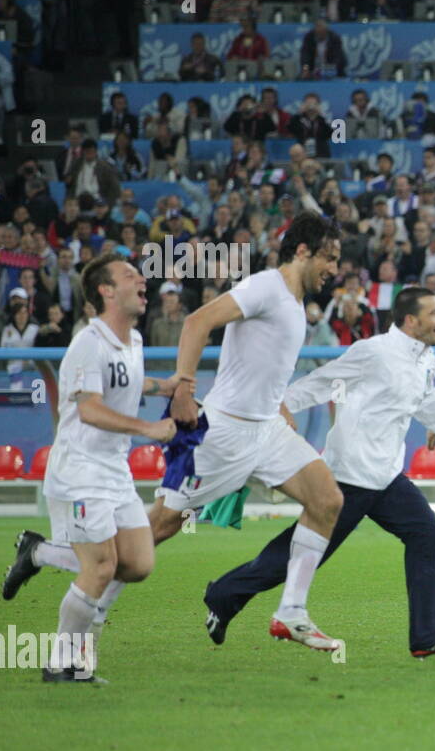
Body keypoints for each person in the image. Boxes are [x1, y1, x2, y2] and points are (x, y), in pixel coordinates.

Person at [199, 289, 435, 659]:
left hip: (387, 476)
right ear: (411, 320)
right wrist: (280, 406)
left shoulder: (425, 358)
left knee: (427, 535)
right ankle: (223, 596)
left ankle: (427, 635)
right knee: (295, 555)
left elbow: (426, 399)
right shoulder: (373, 352)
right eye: (434, 313)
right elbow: (324, 381)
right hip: (350, 473)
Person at [139, 213, 345, 650]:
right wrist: (184, 388)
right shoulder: (266, 286)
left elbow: (263, 365)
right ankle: (55, 555)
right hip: (223, 431)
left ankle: (291, 612)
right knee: (160, 526)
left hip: (266, 429)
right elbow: (197, 321)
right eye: (329, 258)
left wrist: (278, 407)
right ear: (303, 251)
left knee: (327, 500)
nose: (334, 269)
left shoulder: (291, 302)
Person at [1, 255, 179, 683]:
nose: (140, 280)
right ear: (105, 291)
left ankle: (38, 552)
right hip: (79, 469)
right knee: (100, 566)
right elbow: (91, 409)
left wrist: (164, 385)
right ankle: (61, 664)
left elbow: (129, 384)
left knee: (136, 562)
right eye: (129, 275)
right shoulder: (88, 341)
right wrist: (148, 428)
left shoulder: (133, 340)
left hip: (113, 469)